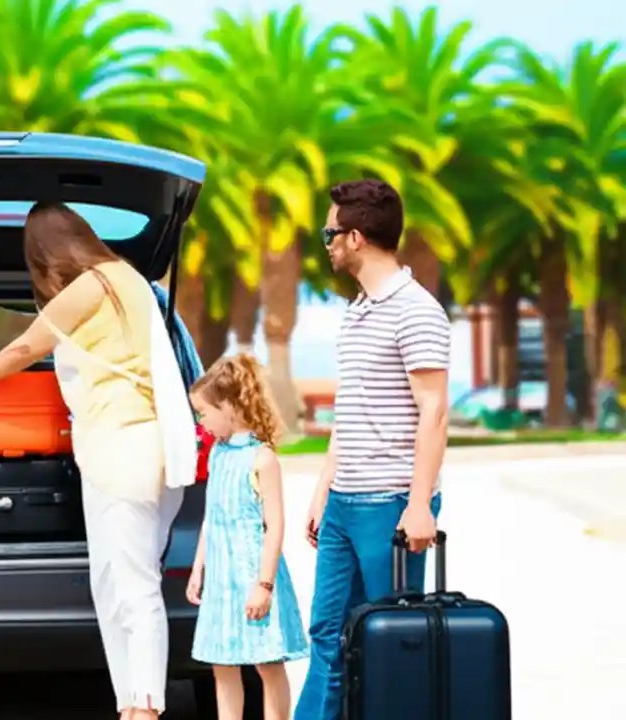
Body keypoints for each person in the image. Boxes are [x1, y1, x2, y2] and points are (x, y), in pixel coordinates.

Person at [0, 201, 198, 720]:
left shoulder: (92, 286)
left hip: (121, 450)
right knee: (114, 584)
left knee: (130, 587)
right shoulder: (127, 281)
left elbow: (25, 348)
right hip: (152, 452)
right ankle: (132, 703)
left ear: (45, 252)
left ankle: (147, 709)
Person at [294, 179, 451, 720]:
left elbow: (434, 410)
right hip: (343, 504)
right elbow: (350, 411)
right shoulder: (359, 311)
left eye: (330, 233)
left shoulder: (417, 311)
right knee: (326, 636)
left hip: (390, 505)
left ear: (355, 237)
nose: (328, 244)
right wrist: (322, 490)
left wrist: (418, 502)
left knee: (390, 645)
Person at [186, 355, 308, 720]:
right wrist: (198, 568)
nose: (202, 423)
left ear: (230, 407)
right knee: (222, 665)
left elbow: (275, 526)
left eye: (205, 413)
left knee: (266, 664)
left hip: (252, 577)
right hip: (222, 581)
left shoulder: (262, 458)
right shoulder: (218, 455)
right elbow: (212, 517)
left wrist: (264, 585)